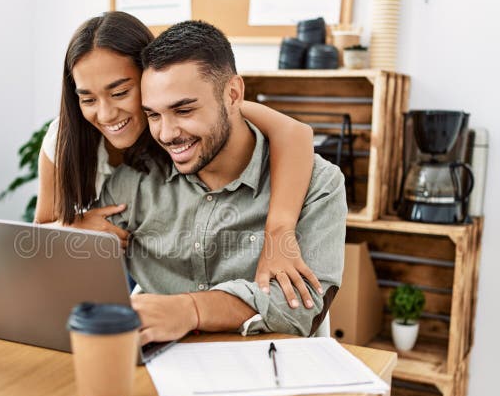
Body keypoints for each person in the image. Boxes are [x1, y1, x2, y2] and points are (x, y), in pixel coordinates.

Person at [34, 11, 321, 309]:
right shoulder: (65, 139)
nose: (105, 114)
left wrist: (279, 231)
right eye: (88, 99)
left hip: (169, 247)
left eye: (120, 92)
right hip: (122, 251)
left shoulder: (185, 112)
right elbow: (39, 231)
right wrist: (72, 229)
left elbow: (295, 133)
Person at [98, 20, 347, 345]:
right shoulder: (135, 181)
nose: (166, 133)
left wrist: (190, 310)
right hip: (160, 376)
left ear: (233, 94)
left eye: (184, 110)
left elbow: (300, 310)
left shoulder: (318, 185)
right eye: (154, 115)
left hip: (268, 375)